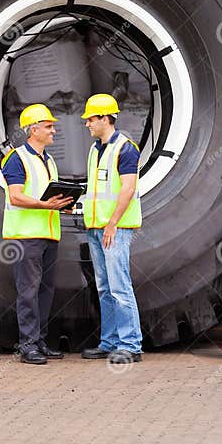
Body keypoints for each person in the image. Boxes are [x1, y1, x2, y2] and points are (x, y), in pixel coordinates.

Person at [1, 103, 73, 365]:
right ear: (33, 129)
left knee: (45, 290)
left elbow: (45, 194)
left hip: (48, 233)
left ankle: (39, 340)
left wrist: (61, 206)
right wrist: (46, 205)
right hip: (27, 235)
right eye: (48, 126)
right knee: (28, 292)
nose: (54, 130)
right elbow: (16, 195)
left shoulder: (48, 160)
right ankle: (27, 345)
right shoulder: (16, 159)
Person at [80, 94, 143, 364]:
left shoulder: (126, 149)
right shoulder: (96, 149)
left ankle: (131, 345)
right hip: (96, 228)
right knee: (104, 288)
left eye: (91, 119)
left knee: (119, 286)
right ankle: (109, 342)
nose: (87, 124)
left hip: (114, 229)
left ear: (106, 118)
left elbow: (127, 189)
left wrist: (113, 223)